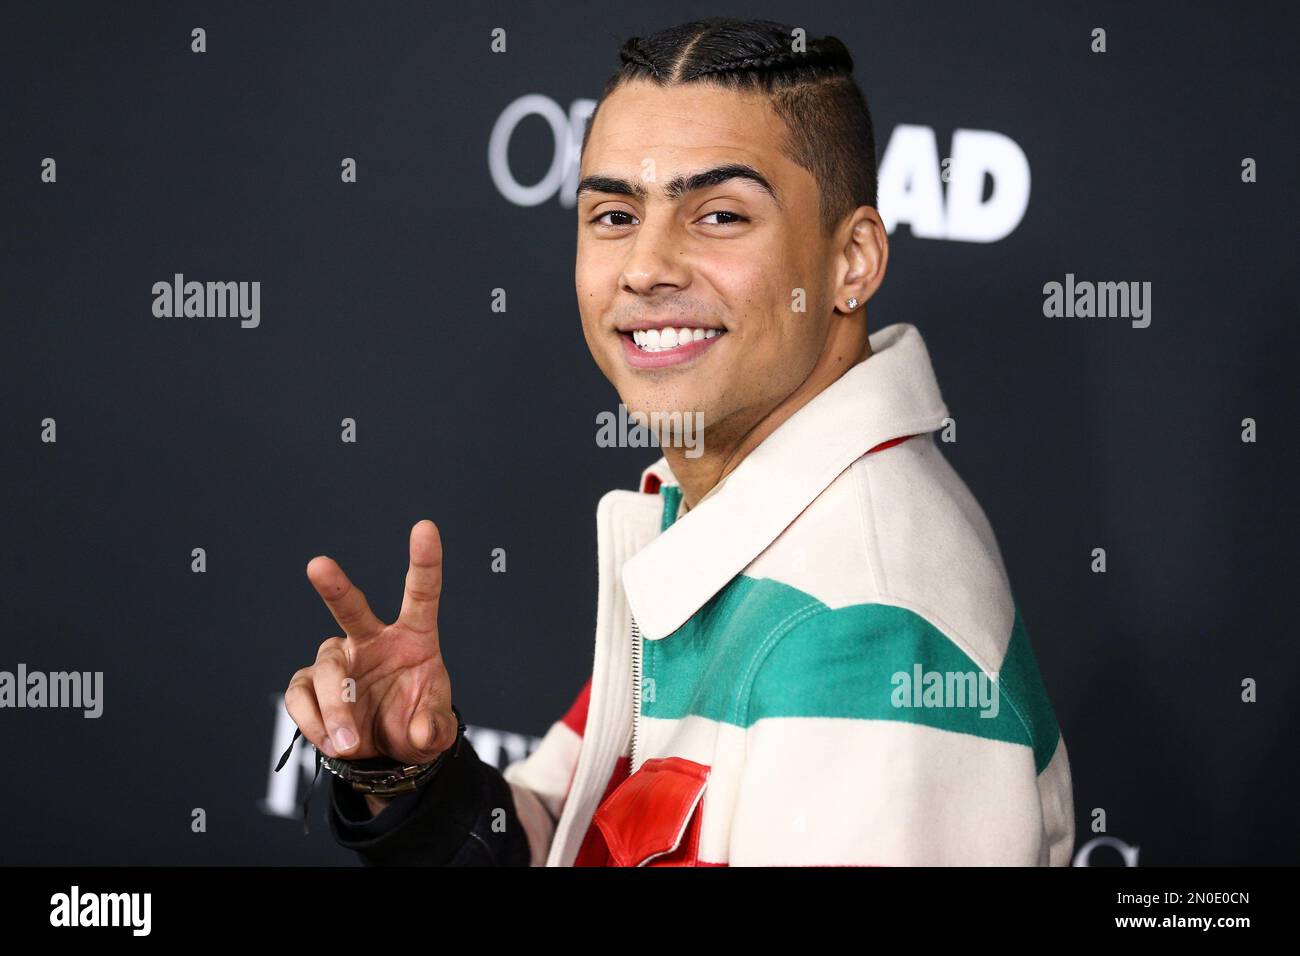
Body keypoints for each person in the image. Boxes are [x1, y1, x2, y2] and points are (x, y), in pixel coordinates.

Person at [281, 16, 1075, 867]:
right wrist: (415, 775)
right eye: (616, 214)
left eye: (721, 215)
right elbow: (570, 839)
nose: (647, 266)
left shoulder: (867, 632)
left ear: (852, 259)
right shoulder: (726, 507)